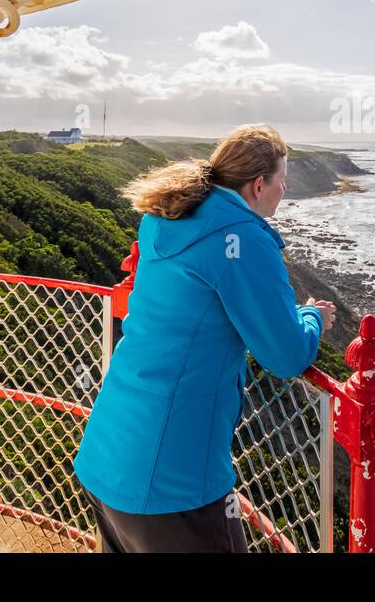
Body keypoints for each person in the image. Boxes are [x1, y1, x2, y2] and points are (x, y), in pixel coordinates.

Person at [73, 124, 336, 552]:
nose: (284, 189)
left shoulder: (166, 217)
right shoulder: (241, 237)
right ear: (257, 185)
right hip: (171, 483)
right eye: (281, 179)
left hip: (107, 456)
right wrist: (310, 316)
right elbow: (286, 354)